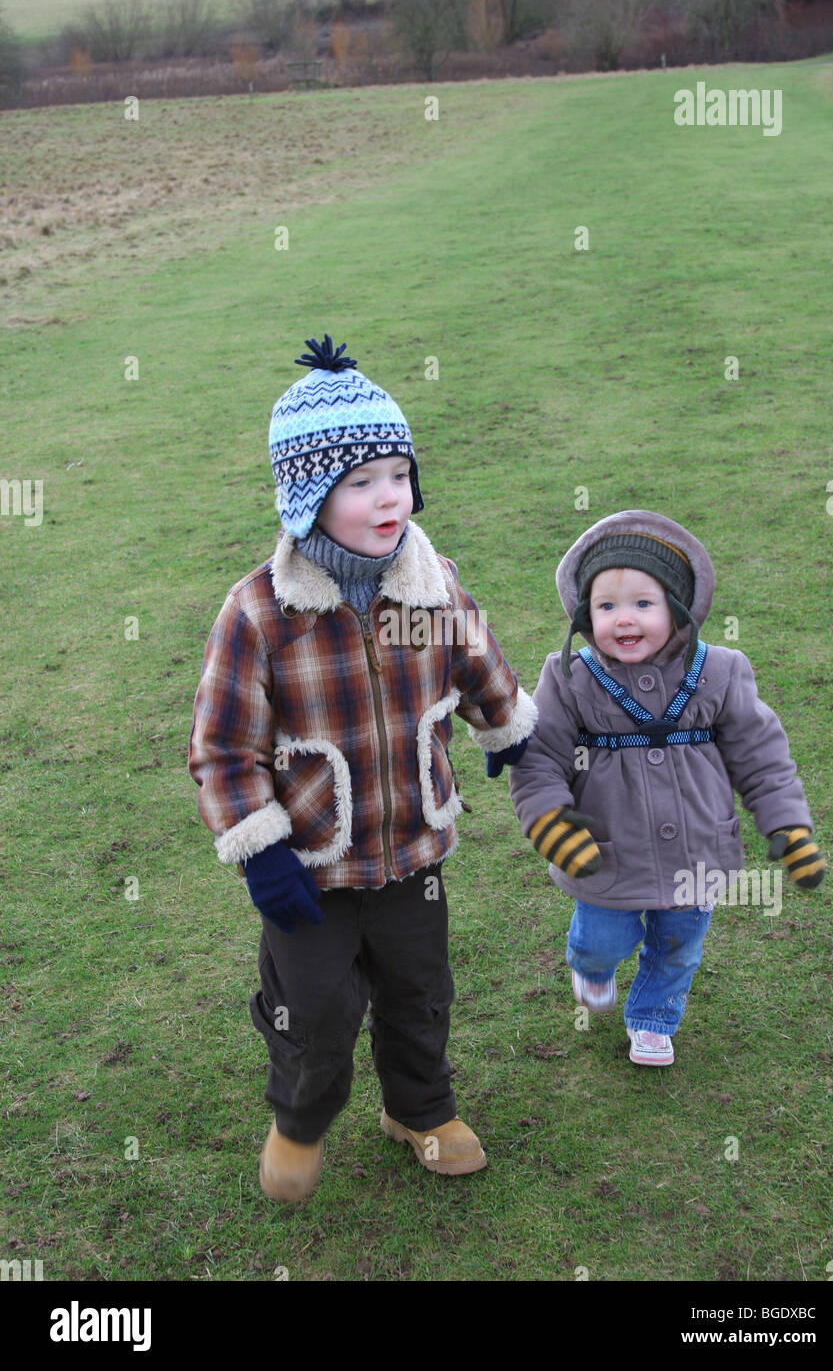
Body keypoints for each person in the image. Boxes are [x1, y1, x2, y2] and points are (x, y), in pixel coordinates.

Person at [188, 335, 537, 1199]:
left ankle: (419, 1109)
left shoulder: (429, 585)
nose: (391, 498)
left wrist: (507, 726)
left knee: (420, 991)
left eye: (398, 473)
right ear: (307, 497)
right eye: (361, 482)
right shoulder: (263, 613)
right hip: (307, 863)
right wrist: (260, 849)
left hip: (410, 847)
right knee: (318, 1010)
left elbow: (474, 658)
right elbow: (223, 746)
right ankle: (300, 1122)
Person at [508, 510, 825, 1067]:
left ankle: (653, 1019)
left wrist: (787, 823)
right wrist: (552, 823)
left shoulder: (721, 671)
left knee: (680, 946)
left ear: (678, 608)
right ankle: (591, 964)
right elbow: (539, 761)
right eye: (606, 607)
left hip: (698, 848)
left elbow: (762, 757)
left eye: (642, 605)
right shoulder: (569, 678)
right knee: (603, 937)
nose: (622, 620)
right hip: (606, 851)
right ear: (586, 613)